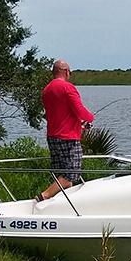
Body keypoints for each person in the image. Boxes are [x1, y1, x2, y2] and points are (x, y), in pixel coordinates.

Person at [36, 60, 94, 201]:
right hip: (68, 138)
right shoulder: (68, 88)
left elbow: (57, 114)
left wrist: (79, 124)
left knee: (62, 174)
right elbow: (79, 110)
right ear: (67, 72)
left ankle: (65, 202)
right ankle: (44, 196)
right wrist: (90, 118)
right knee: (71, 172)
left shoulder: (47, 90)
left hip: (53, 136)